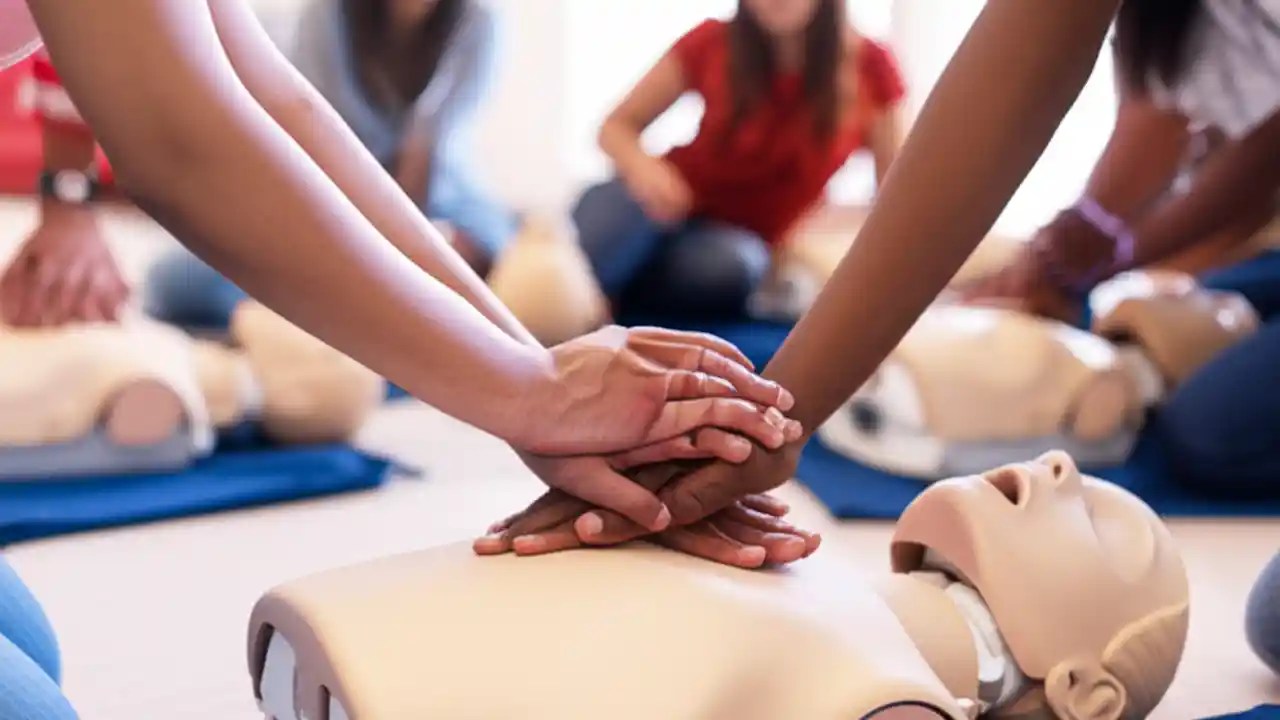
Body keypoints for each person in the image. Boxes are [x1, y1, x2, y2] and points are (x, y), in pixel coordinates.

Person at [0, 2, 806, 713]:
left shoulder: (472, 26)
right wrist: (530, 392)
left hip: (430, 202)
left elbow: (275, 104)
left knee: (36, 656)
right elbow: (178, 140)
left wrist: (533, 373)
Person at [477, 0, 1280, 563]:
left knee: (1214, 448)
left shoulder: (864, 67)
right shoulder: (710, 44)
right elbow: (1075, 95)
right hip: (672, 214)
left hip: (732, 246)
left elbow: (914, 173)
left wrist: (772, 419)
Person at [145, 0, 515, 329]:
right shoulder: (326, 15)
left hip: (433, 202)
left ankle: (347, 297)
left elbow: (433, 144)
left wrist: (406, 246)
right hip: (327, 197)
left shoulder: (479, 23)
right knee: (178, 283)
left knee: (499, 249)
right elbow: (307, 142)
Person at [575, 0, 904, 321]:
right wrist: (647, 171)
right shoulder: (712, 41)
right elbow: (614, 128)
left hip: (726, 244)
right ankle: (582, 305)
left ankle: (605, 297)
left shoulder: (872, 67)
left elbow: (895, 198)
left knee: (733, 268)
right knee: (622, 213)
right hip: (658, 208)